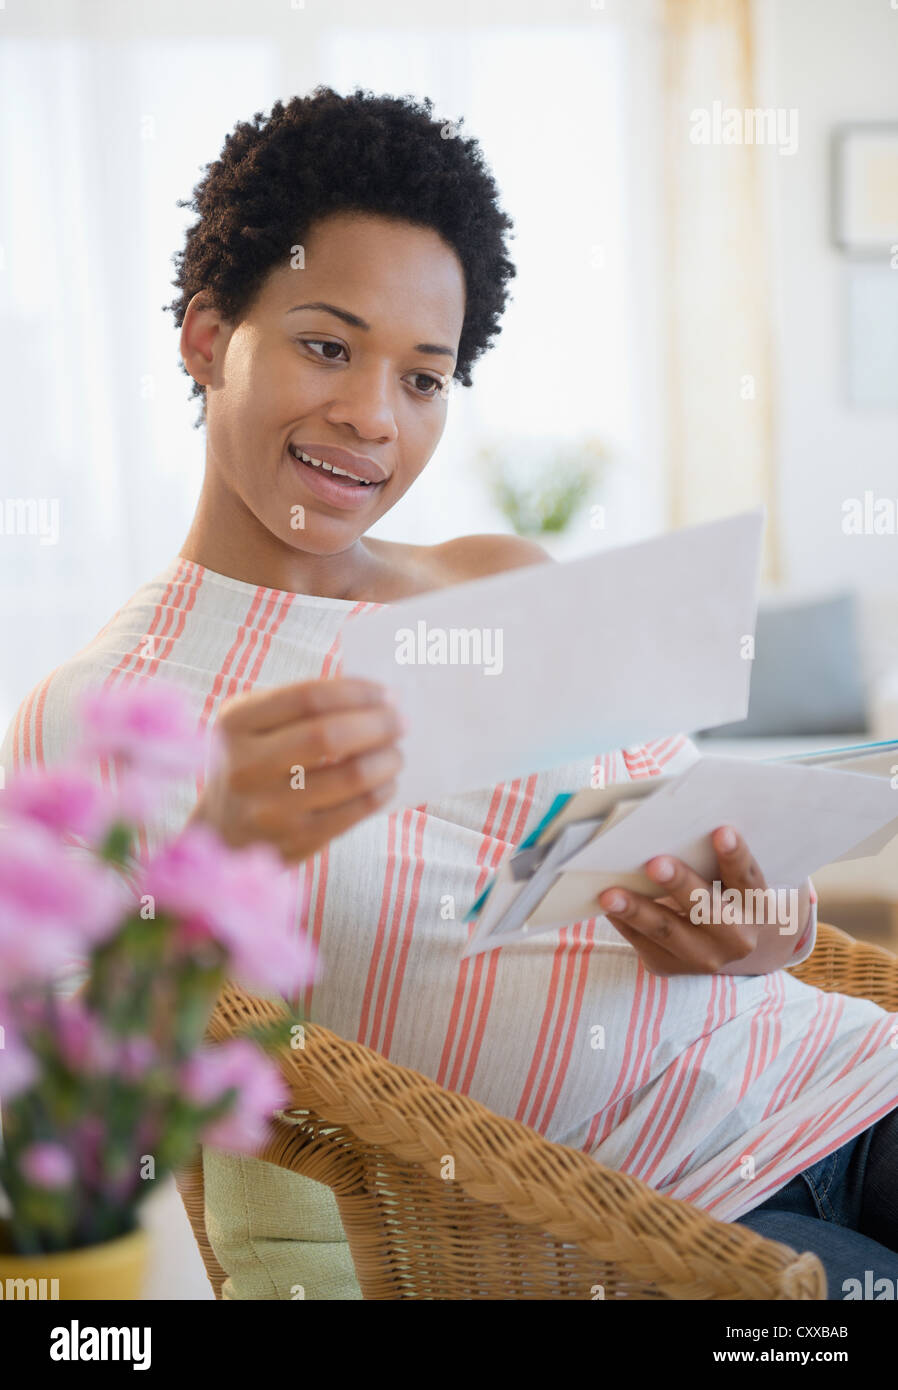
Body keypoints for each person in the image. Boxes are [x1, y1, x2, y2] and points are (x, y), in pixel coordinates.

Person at [3, 88, 897, 1301]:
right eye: (328, 344)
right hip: (660, 1230)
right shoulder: (106, 715)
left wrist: (769, 925)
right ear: (208, 335)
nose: (372, 416)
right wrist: (211, 855)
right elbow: (77, 1140)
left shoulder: (501, 579)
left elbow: (724, 851)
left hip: (846, 1079)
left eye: (422, 378)